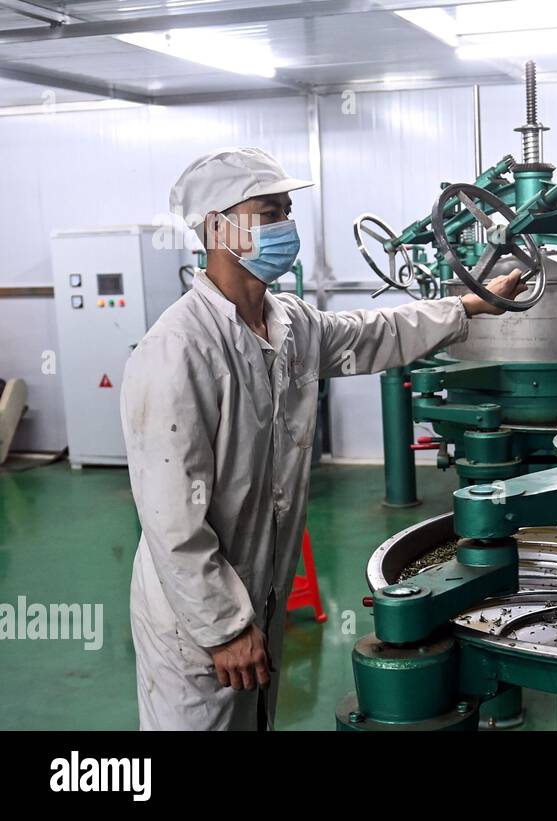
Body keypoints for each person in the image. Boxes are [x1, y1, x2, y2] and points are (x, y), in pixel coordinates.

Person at [122, 147, 524, 730]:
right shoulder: (178, 348)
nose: (286, 226)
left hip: (259, 583)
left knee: (251, 720)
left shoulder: (288, 322)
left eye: (287, 210)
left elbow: (371, 333)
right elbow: (170, 516)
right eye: (269, 211)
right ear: (216, 226)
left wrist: (467, 306)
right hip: (195, 611)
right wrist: (224, 626)